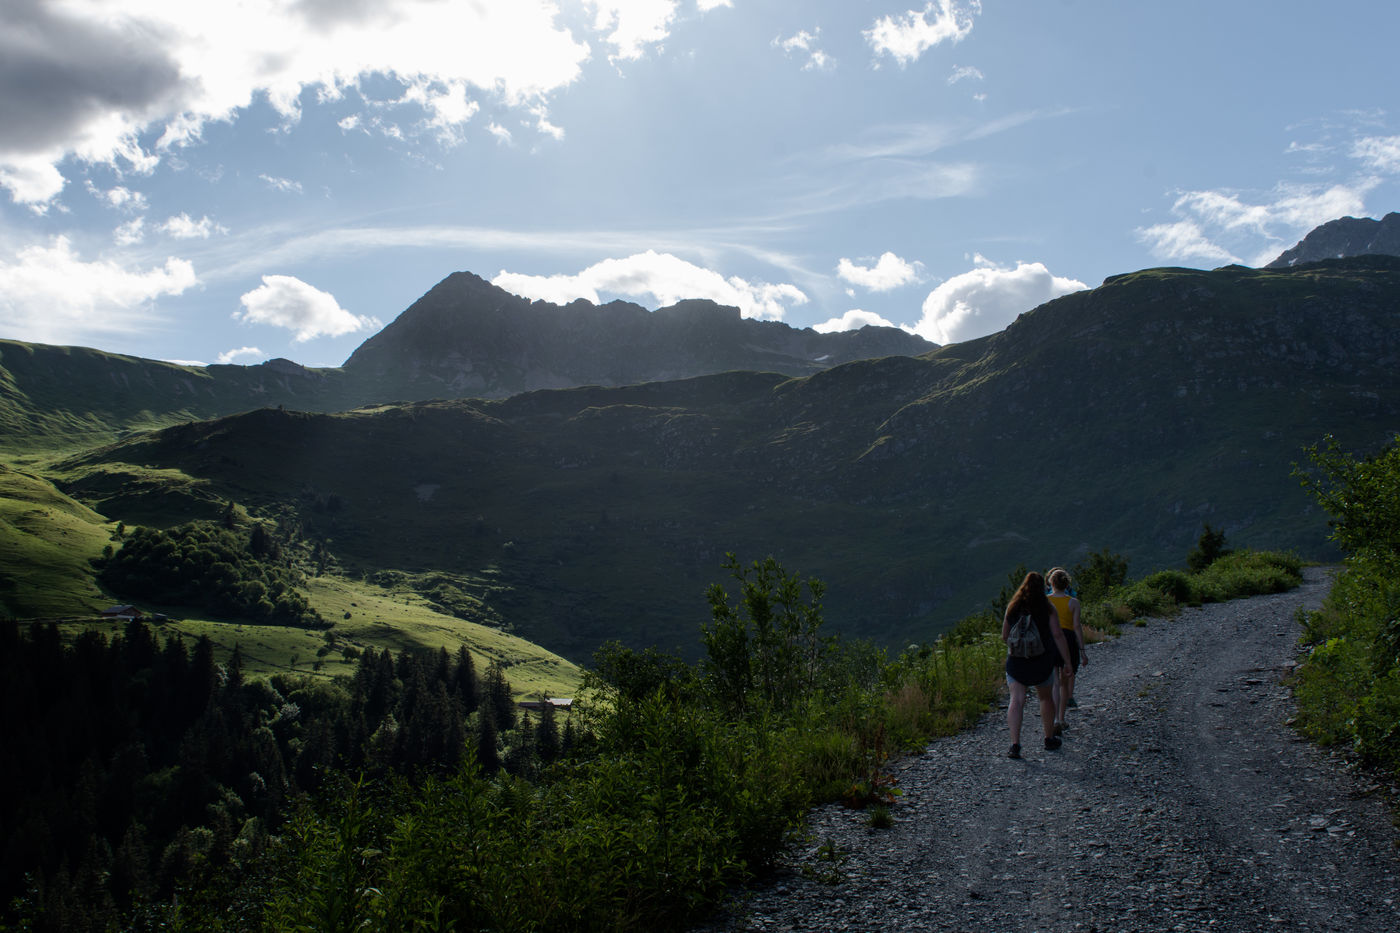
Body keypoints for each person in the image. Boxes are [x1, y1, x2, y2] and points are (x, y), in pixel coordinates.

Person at [1001, 570, 1071, 758]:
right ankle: (1049, 739)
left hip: (1017, 662)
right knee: (1045, 698)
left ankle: (1015, 745)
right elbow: (1057, 635)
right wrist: (1066, 661)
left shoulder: (1013, 607)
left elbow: (1005, 636)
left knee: (1016, 700)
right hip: (1042, 660)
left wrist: (1018, 648)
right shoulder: (1048, 608)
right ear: (1043, 587)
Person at [1047, 567, 1089, 735]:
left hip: (1050, 640)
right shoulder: (1073, 602)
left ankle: (1053, 719)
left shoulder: (1045, 601)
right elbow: (1077, 627)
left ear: (1051, 582)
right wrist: (1082, 650)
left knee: (1054, 682)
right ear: (1067, 584)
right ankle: (1060, 718)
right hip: (1069, 641)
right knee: (1065, 682)